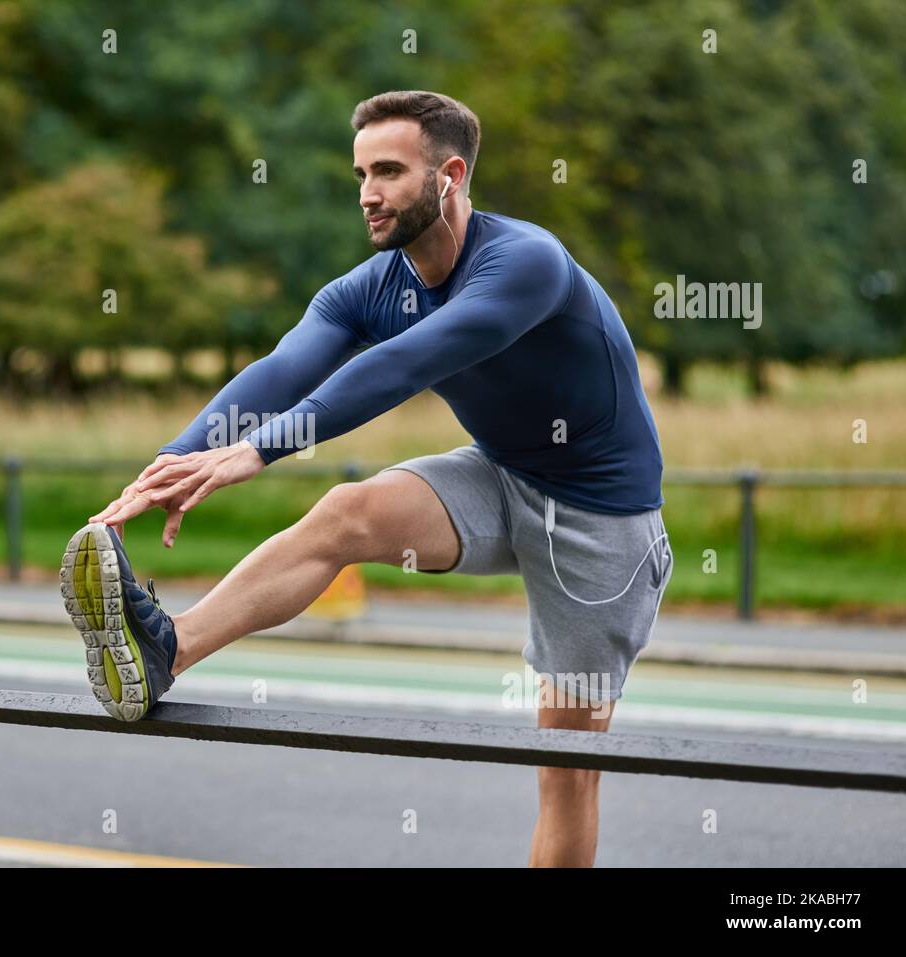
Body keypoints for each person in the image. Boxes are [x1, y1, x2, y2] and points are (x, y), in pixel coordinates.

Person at [60, 90, 673, 867]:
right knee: (348, 511)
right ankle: (162, 654)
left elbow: (404, 364)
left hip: (601, 520)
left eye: (389, 171)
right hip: (502, 475)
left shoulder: (526, 263)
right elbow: (281, 368)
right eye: (360, 173)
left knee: (565, 775)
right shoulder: (369, 286)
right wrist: (170, 464)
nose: (368, 193)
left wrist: (258, 452)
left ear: (450, 176)